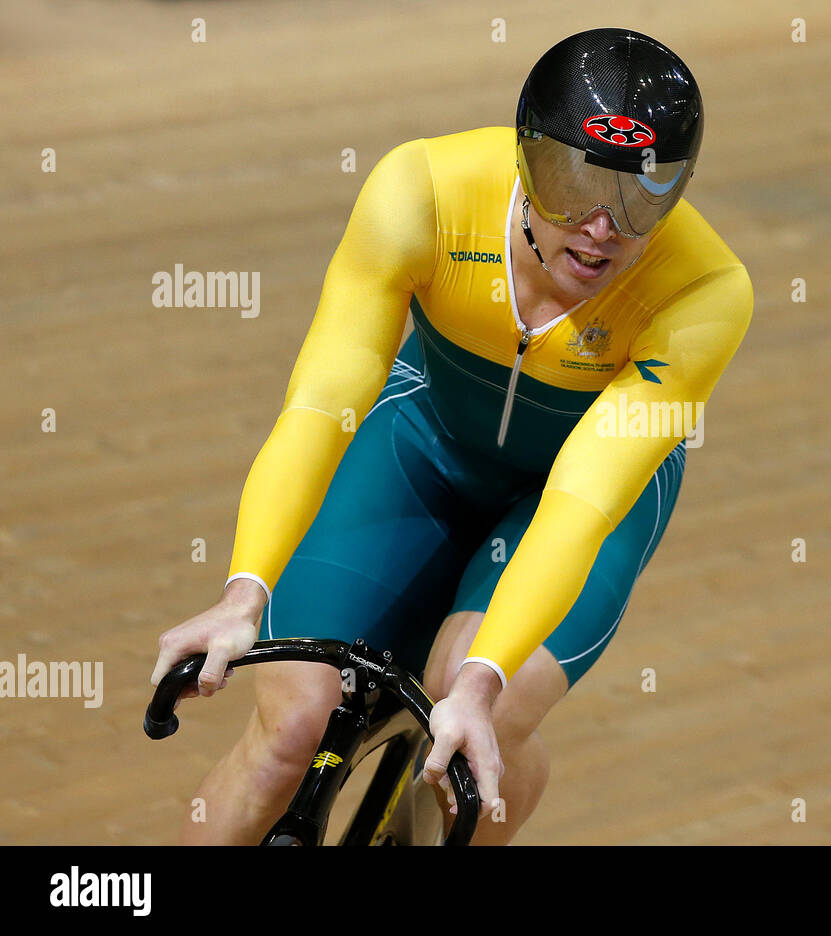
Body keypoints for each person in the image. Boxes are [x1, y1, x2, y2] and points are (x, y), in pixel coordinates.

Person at [150, 27, 752, 845]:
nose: (603, 227)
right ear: (524, 156)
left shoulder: (705, 289)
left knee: (474, 730)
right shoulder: (424, 191)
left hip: (569, 496)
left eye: (641, 195)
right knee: (291, 727)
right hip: (425, 444)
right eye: (573, 181)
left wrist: (475, 687)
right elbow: (324, 401)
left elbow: (579, 503)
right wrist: (243, 591)